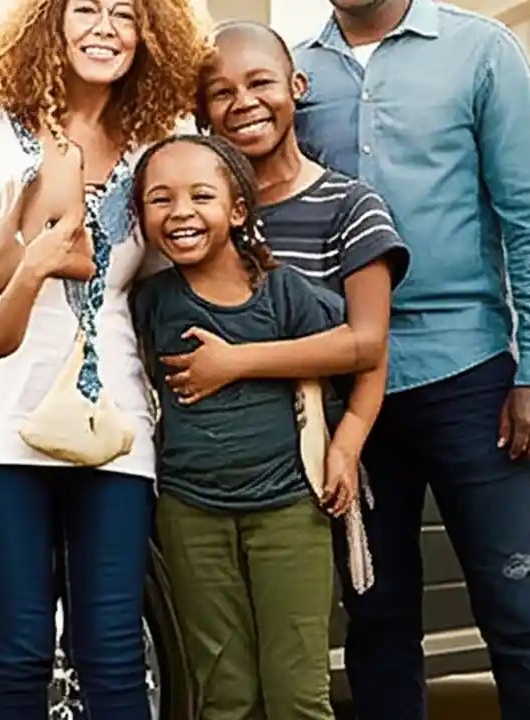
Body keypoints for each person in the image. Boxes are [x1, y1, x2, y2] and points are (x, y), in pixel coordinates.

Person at [0, 0, 203, 715]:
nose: (106, 28)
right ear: (47, 22)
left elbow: (168, 287)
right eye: (85, 9)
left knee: (114, 651)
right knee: (18, 651)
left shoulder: (157, 145)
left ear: (149, 34)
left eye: (125, 14)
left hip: (117, 429)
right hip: (2, 426)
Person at [290, 1, 530, 717]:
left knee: (520, 608)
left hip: (469, 376)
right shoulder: (294, 72)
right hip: (350, 386)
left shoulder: (481, 51)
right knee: (376, 617)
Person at [184, 21, 413, 595]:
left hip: (320, 463)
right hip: (218, 477)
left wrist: (347, 444)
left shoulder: (350, 205)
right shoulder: (199, 217)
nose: (243, 102)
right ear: (201, 112)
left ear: (297, 86)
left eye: (260, 82)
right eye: (221, 92)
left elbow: (368, 345)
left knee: (346, 619)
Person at [131, 133, 346, 720]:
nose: (180, 212)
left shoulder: (285, 293)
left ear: (238, 210)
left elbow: (359, 351)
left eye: (201, 196)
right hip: (191, 514)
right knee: (225, 694)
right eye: (160, 199)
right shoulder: (150, 302)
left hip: (288, 511)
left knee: (297, 692)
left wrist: (346, 447)